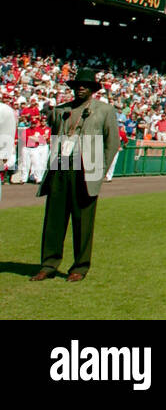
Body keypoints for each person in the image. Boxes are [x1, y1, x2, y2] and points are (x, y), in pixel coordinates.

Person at [31, 68, 121, 282]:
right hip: (61, 166)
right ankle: (48, 265)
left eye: (86, 85)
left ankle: (80, 267)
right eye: (78, 85)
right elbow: (55, 135)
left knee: (83, 222)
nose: (81, 88)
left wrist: (99, 171)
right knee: (53, 220)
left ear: (93, 89)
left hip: (86, 169)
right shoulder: (61, 110)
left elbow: (112, 142)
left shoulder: (104, 110)